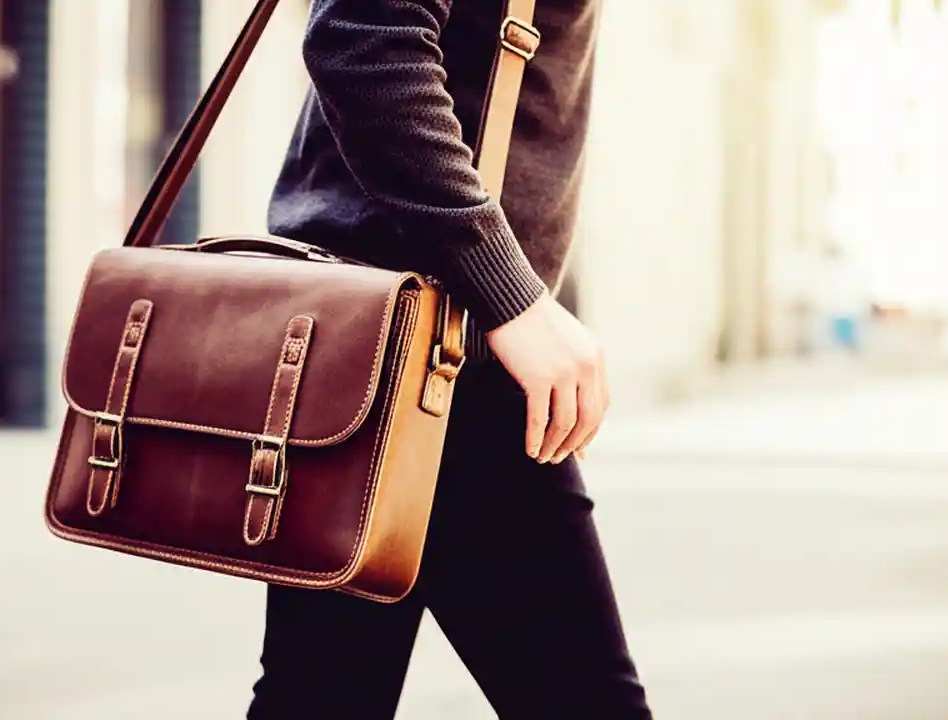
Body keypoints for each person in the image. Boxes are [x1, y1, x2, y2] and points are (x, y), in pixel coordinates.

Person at [249, 1, 653, 717]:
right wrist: (511, 297)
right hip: (430, 351)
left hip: (404, 350)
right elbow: (366, 40)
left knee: (321, 697)